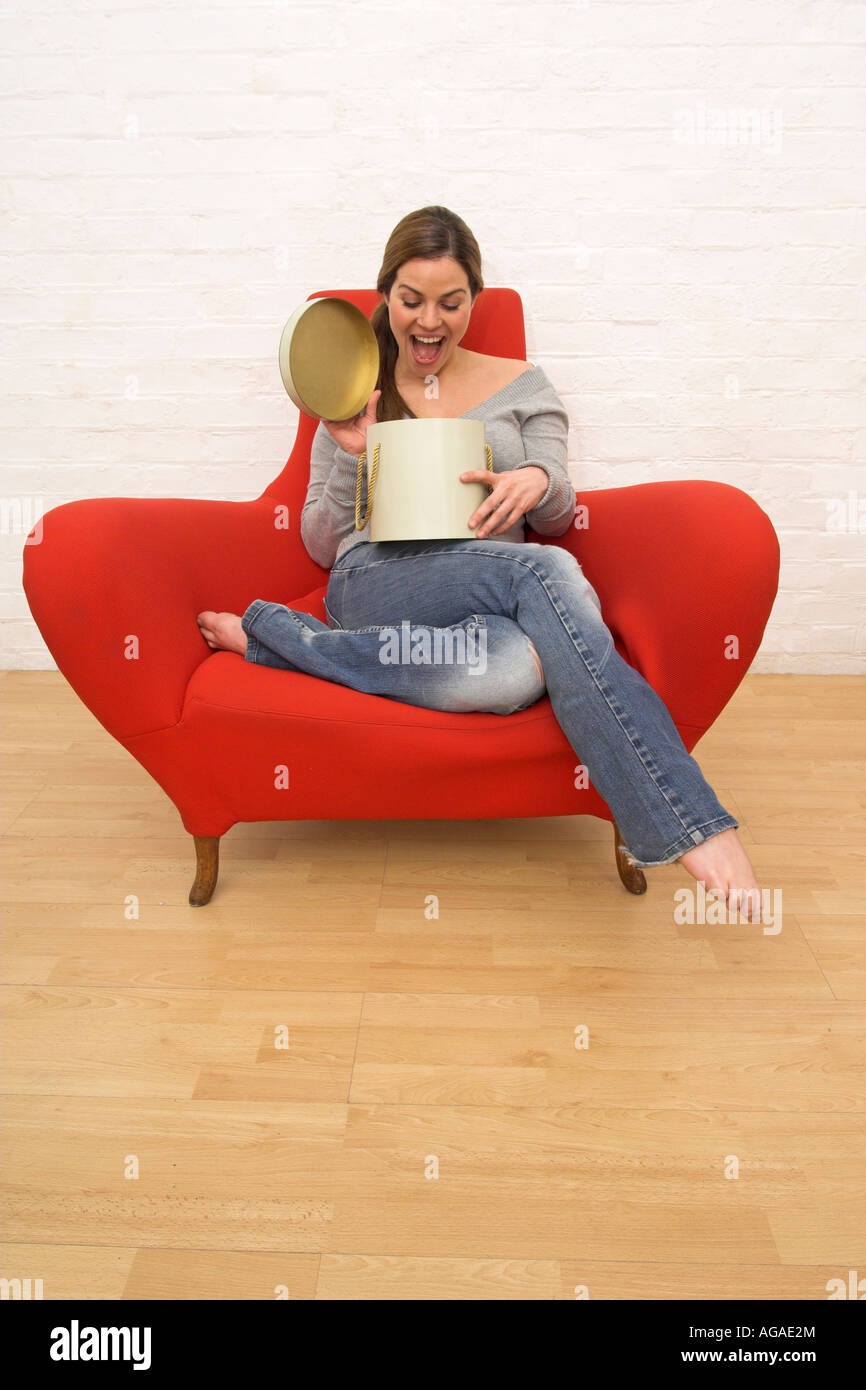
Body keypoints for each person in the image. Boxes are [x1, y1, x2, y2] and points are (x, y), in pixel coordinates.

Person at [198, 205, 764, 920]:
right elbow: (317, 541)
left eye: (450, 302)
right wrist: (350, 456)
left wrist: (538, 483)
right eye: (410, 300)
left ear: (475, 302)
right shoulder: (353, 386)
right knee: (547, 571)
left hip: (492, 586)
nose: (428, 320)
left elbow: (557, 514)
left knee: (515, 669)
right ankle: (688, 819)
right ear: (386, 298)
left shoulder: (524, 386)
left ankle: (284, 642)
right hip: (375, 579)